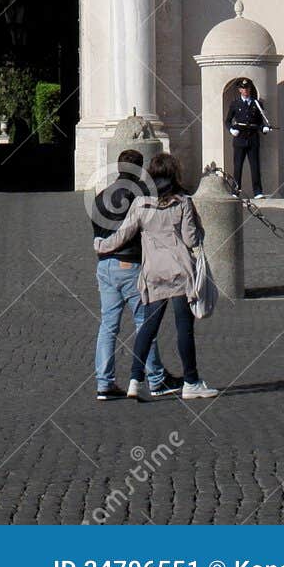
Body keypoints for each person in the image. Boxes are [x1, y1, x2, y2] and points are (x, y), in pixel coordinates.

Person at [94, 152, 218, 401]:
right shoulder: (181, 202)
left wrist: (101, 245)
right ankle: (188, 381)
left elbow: (123, 233)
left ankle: (132, 381)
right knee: (184, 329)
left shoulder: (138, 203)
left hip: (150, 272)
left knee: (141, 328)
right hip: (177, 271)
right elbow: (191, 239)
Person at [90, 149, 176, 401]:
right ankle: (156, 378)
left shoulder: (99, 197)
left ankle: (104, 382)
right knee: (144, 323)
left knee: (108, 325)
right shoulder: (142, 195)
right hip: (130, 264)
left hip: (104, 265)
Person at [226, 77, 272, 200]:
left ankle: (257, 191)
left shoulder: (256, 103)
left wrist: (263, 129)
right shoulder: (235, 104)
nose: (245, 90)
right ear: (239, 90)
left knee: (255, 166)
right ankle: (235, 191)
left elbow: (260, 121)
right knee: (238, 166)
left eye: (247, 88)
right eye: (243, 88)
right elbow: (228, 121)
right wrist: (231, 130)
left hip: (252, 138)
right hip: (240, 138)